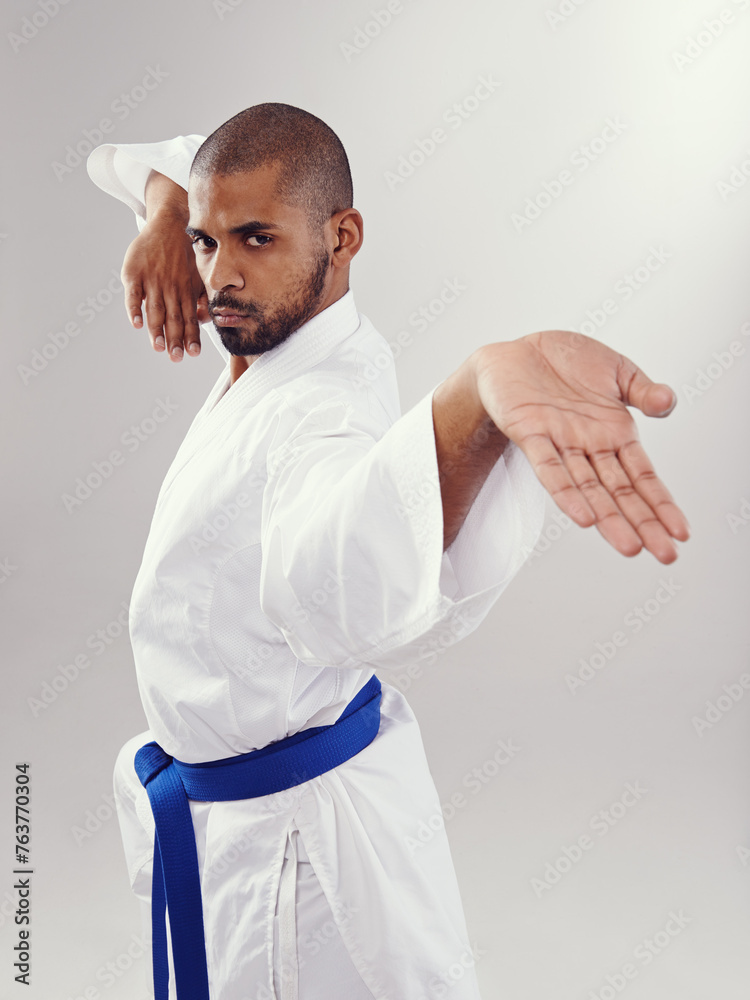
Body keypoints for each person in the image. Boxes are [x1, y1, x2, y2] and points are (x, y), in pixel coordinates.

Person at [86, 102, 689, 1000]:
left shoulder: (323, 404)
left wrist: (471, 401)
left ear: (344, 237)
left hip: (295, 868)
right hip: (238, 829)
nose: (221, 276)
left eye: (255, 240)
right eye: (208, 244)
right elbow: (143, 158)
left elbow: (335, 572)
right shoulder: (273, 339)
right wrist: (168, 212)